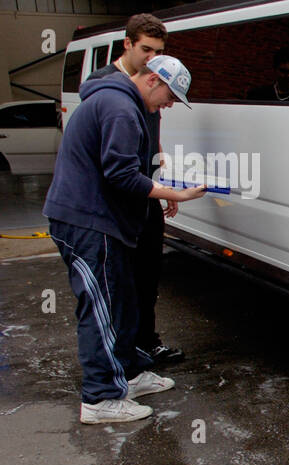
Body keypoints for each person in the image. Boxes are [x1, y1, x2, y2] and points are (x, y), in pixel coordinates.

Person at [44, 56, 206, 424]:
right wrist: (173, 193)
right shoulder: (120, 108)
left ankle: (129, 374)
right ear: (152, 79)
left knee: (123, 301)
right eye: (170, 95)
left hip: (101, 222)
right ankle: (99, 399)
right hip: (87, 222)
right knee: (100, 308)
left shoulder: (116, 102)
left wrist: (161, 188)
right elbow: (120, 173)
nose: (169, 104)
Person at [85, 13, 185, 367]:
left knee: (147, 273)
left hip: (145, 191)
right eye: (145, 49)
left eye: (158, 51)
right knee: (119, 281)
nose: (151, 57)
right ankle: (120, 354)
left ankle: (146, 343)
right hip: (116, 197)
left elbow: (150, 140)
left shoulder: (152, 83)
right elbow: (109, 157)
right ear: (127, 44)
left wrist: (161, 186)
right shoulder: (106, 87)